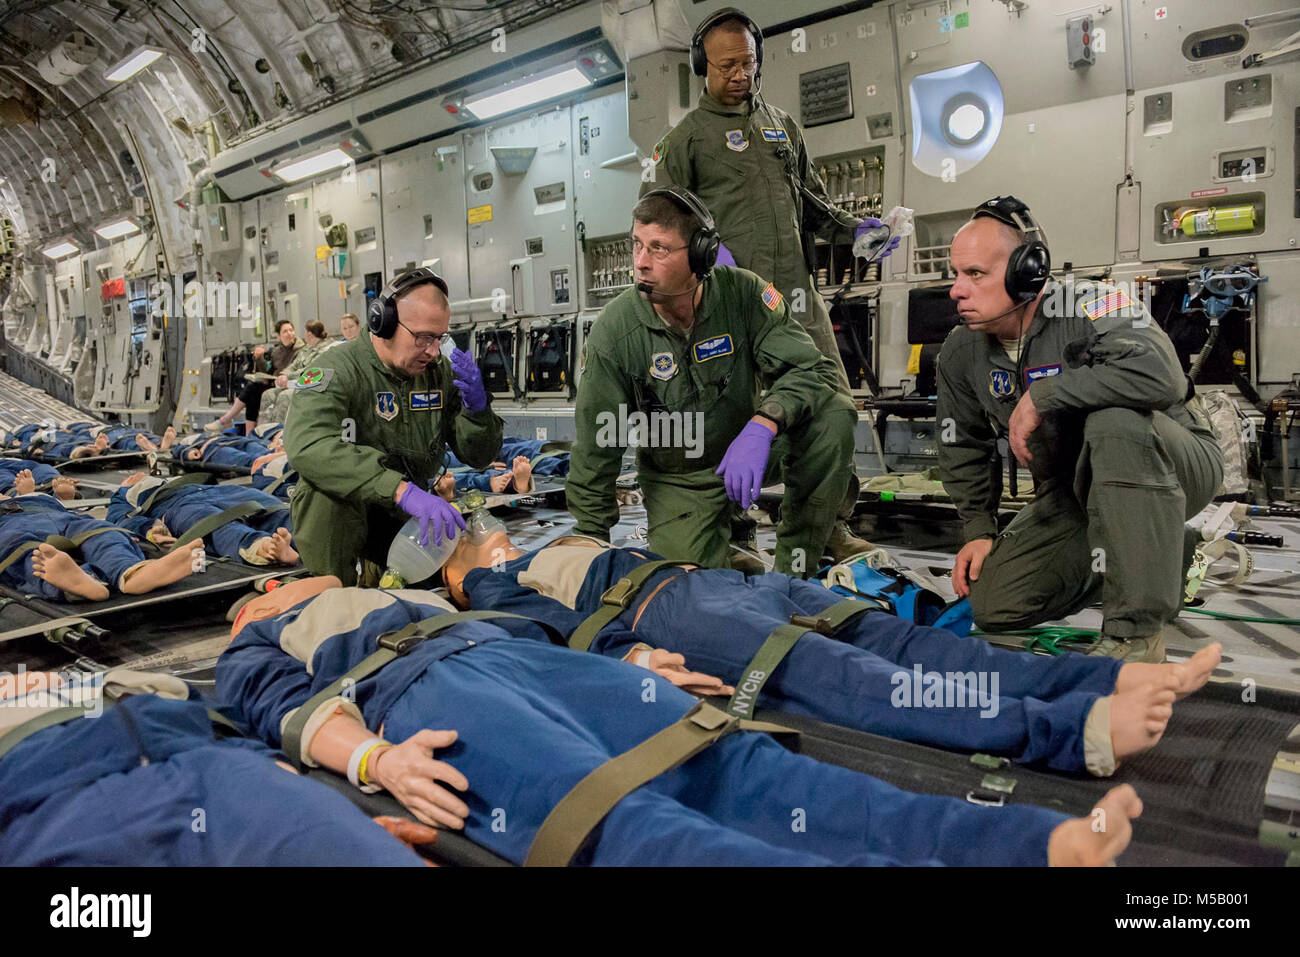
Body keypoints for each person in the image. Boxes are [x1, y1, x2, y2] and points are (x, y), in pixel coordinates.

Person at [217, 574, 1145, 866]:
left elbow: (551, 617)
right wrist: (376, 759)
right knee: (629, 822)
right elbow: (265, 702)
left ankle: (1031, 845)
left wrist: (629, 656)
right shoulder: (266, 633)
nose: (291, 577)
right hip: (424, 695)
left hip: (546, 663)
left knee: (749, 770)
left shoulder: (405, 587)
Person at [442, 530, 1219, 776]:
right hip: (669, 611)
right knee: (857, 680)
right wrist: (632, 656)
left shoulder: (544, 540)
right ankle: (1069, 731)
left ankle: (1114, 674)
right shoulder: (487, 579)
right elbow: (554, 627)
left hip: (721, 585)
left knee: (909, 643)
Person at [646, 7, 902, 561]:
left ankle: (825, 525)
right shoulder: (684, 140)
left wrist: (859, 232)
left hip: (797, 299)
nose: (741, 74)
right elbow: (661, 226)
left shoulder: (781, 126)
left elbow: (812, 204)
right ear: (701, 68)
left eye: (749, 63)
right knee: (733, 416)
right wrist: (706, 265)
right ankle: (730, 535)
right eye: (727, 65)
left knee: (830, 403)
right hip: (729, 305)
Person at [936, 197, 1224, 663]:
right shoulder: (960, 350)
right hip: (1078, 488)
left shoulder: (1094, 301)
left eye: (974, 274)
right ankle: (1169, 552)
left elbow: (1161, 374)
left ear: (1025, 272)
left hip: (1175, 460)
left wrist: (1042, 397)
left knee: (1115, 421)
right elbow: (962, 444)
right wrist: (978, 530)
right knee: (996, 604)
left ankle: (1135, 635)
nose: (956, 290)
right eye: (955, 274)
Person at [568, 188, 857, 576]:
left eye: (659, 249)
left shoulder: (745, 295)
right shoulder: (615, 332)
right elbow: (596, 448)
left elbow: (814, 371)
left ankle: (794, 570)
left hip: (750, 452)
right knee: (691, 588)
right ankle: (722, 541)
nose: (640, 263)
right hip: (680, 480)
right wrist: (590, 548)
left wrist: (764, 423)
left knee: (833, 415)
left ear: (701, 254)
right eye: (636, 244)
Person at [0, 669, 432, 866]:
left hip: (215, 769)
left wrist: (328, 812)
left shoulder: (125, 682)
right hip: (43, 799)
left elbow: (228, 731)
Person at [283, 268, 502, 586]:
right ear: (382, 322)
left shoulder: (437, 374)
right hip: (347, 515)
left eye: (439, 338)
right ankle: (332, 589)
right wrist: (399, 490)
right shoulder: (337, 370)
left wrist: (478, 412)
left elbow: (479, 457)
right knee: (326, 493)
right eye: (423, 337)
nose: (432, 350)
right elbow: (308, 445)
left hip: (402, 514)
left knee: (471, 573)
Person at [0, 484, 203, 601]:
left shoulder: (34, 496)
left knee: (102, 532)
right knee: (20, 550)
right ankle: (76, 583)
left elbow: (65, 506)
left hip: (64, 518)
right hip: (9, 527)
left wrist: (27, 491)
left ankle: (132, 573)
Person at [107, 472, 298, 566]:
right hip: (176, 505)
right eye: (130, 478)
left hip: (221, 492)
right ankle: (260, 546)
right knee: (212, 523)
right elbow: (119, 520)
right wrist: (151, 529)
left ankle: (311, 536)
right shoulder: (124, 494)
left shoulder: (173, 479)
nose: (135, 476)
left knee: (271, 508)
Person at [206, 319, 302, 434]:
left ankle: (226, 420)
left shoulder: (300, 350)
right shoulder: (277, 351)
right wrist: (259, 357)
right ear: (279, 337)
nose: (289, 334)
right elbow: (268, 371)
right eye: (285, 331)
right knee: (252, 391)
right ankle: (248, 435)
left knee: (252, 389)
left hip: (288, 384)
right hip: (274, 383)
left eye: (291, 330)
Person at [259, 319, 345, 427]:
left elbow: (310, 371)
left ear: (309, 334)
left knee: (285, 396)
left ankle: (279, 435)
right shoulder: (307, 349)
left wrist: (288, 377)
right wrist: (284, 374)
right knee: (268, 395)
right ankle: (264, 431)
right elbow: (294, 365)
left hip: (312, 387)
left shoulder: (326, 349)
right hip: (296, 383)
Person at [434, 437, 571, 499]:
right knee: (441, 475)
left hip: (443, 447)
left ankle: (567, 463)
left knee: (507, 447)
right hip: (432, 461)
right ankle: (500, 482)